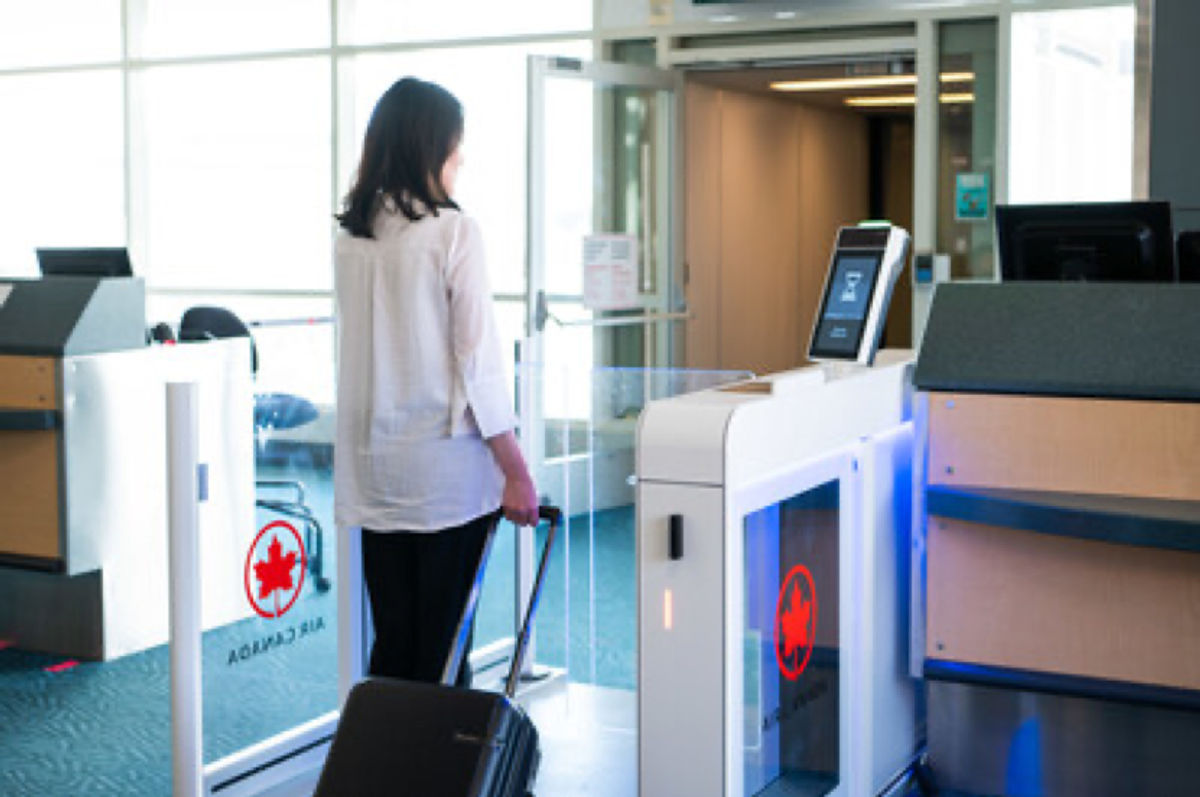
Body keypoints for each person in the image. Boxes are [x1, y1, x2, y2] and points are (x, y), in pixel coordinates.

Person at [333, 77, 539, 687]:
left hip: (377, 470)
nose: (462, 157)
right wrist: (516, 469)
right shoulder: (453, 231)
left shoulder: (353, 236)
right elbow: (476, 363)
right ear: (433, 147)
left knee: (395, 643)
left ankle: (386, 766)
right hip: (445, 475)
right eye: (456, 144)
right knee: (445, 652)